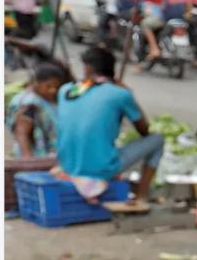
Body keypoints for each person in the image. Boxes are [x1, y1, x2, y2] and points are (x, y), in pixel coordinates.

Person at [54, 47, 165, 209]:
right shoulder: (119, 94)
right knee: (157, 140)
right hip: (100, 169)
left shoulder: (66, 90)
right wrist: (128, 94)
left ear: (88, 68)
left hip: (67, 165)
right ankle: (141, 195)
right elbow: (144, 131)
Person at [7, 62, 64, 159]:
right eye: (48, 86)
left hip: (51, 157)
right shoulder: (28, 103)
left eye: (56, 87)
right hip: (37, 158)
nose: (53, 90)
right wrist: (28, 161)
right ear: (36, 82)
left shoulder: (45, 99)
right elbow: (21, 134)